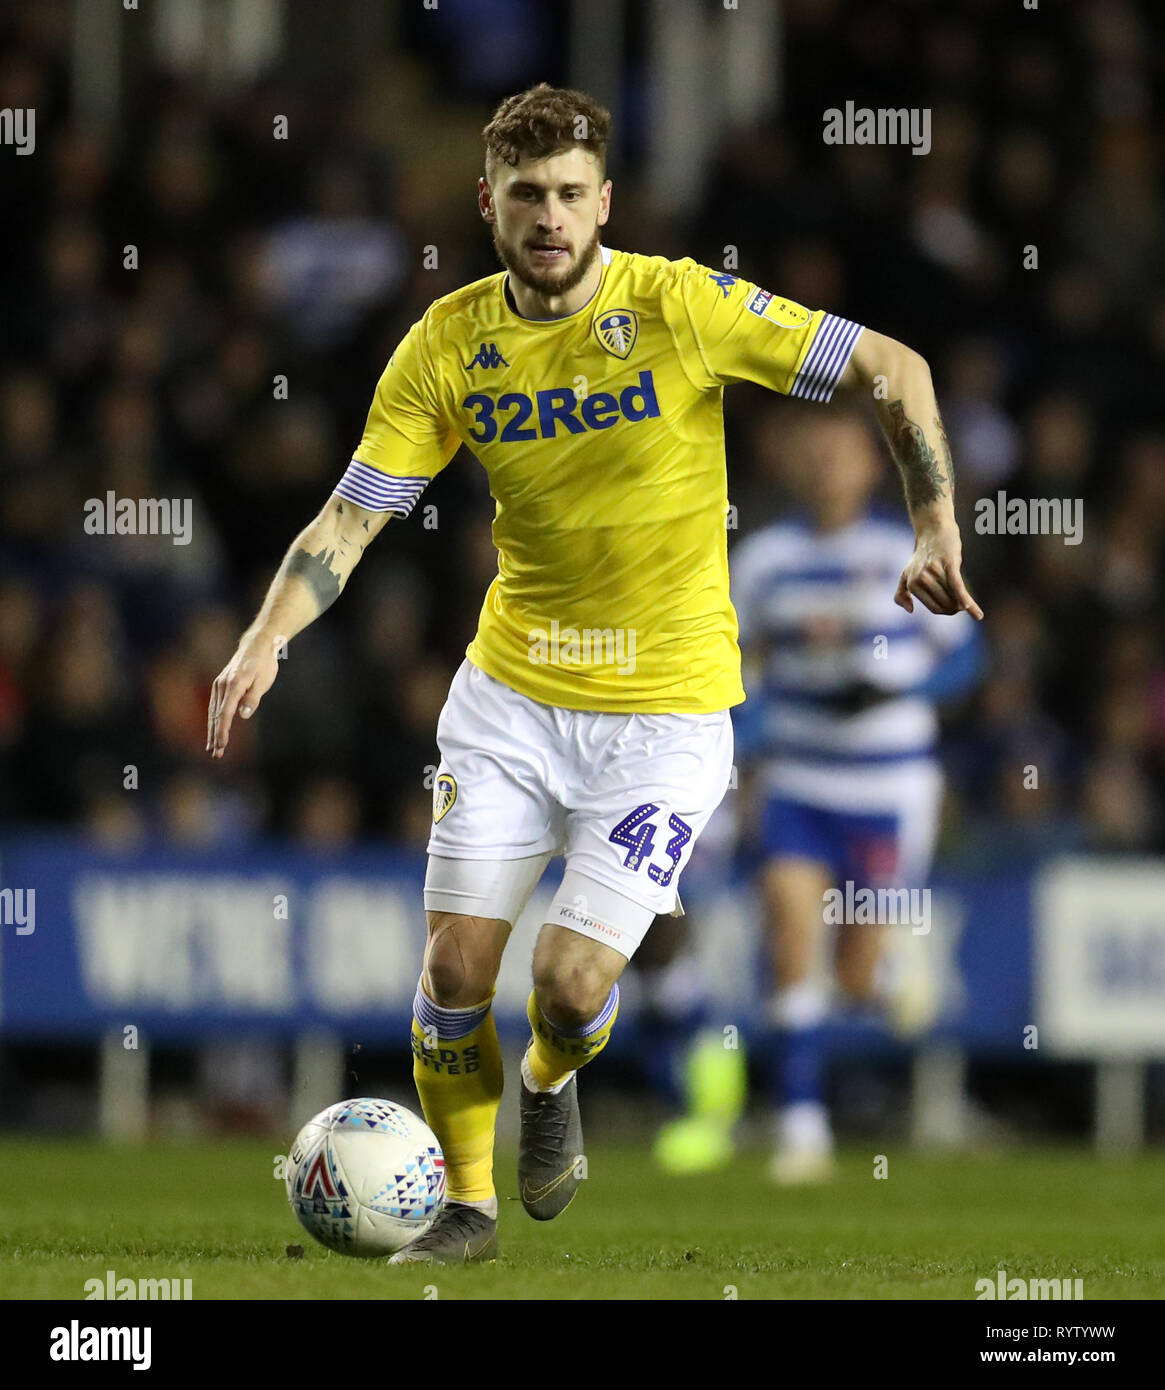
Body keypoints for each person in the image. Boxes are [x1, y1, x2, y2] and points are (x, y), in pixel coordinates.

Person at [206, 84, 982, 1264]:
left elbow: (894, 365)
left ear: (604, 201)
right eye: (527, 195)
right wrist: (268, 633)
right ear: (488, 204)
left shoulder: (682, 305)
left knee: (568, 982)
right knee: (456, 964)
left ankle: (549, 1072)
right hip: (512, 696)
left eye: (572, 193)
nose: (552, 216)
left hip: (667, 715)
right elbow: (350, 518)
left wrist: (932, 520)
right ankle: (466, 1210)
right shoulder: (448, 344)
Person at [653, 403, 982, 1182]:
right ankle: (802, 1130)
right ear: (795, 465)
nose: (827, 466)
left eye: (842, 453)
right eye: (814, 453)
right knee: (790, 934)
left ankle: (892, 976)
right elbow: (734, 671)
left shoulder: (903, 549)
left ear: (873, 467)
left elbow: (967, 658)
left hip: (887, 783)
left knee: (857, 977)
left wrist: (894, 692)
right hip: (799, 779)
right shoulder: (764, 562)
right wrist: (751, 730)